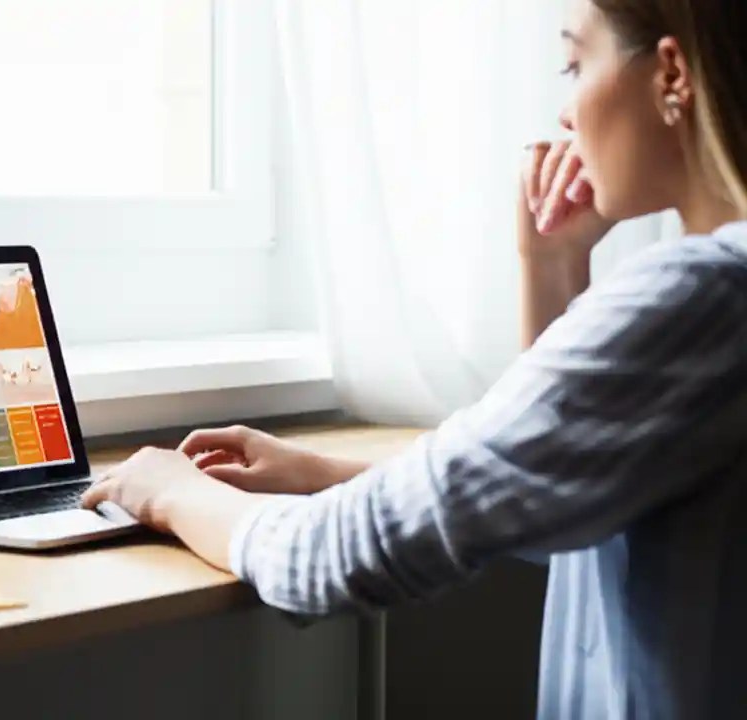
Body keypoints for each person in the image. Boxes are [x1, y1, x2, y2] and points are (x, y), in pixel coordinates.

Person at [81, 0, 747, 717]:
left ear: (672, 74)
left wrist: (172, 491)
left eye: (575, 64)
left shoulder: (704, 294)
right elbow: (550, 486)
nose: (565, 114)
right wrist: (551, 264)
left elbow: (333, 559)